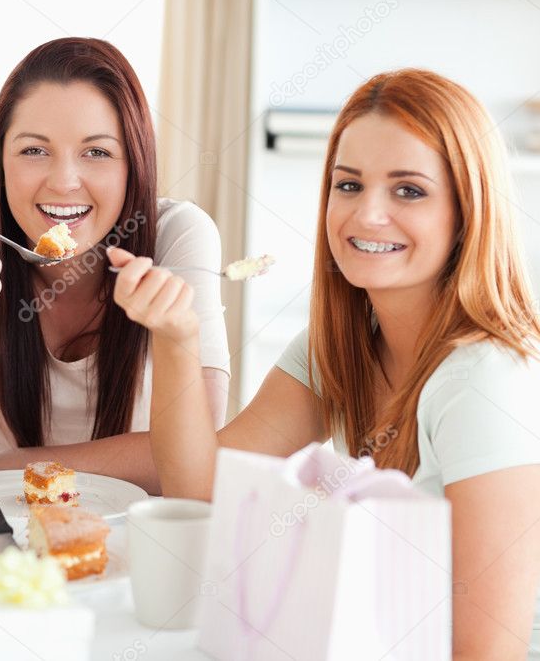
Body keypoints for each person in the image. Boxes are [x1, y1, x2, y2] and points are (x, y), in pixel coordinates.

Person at [142, 68, 540, 657]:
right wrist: (174, 339)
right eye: (349, 185)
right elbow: (202, 489)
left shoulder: (484, 381)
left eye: (409, 190)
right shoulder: (338, 343)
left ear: (466, 213)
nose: (367, 215)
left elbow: (487, 652)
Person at [0, 37, 230, 492]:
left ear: (134, 163)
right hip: (14, 532)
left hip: (141, 533)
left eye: (96, 152)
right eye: (34, 150)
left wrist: (16, 464)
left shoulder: (178, 235)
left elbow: (200, 451)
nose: (64, 181)